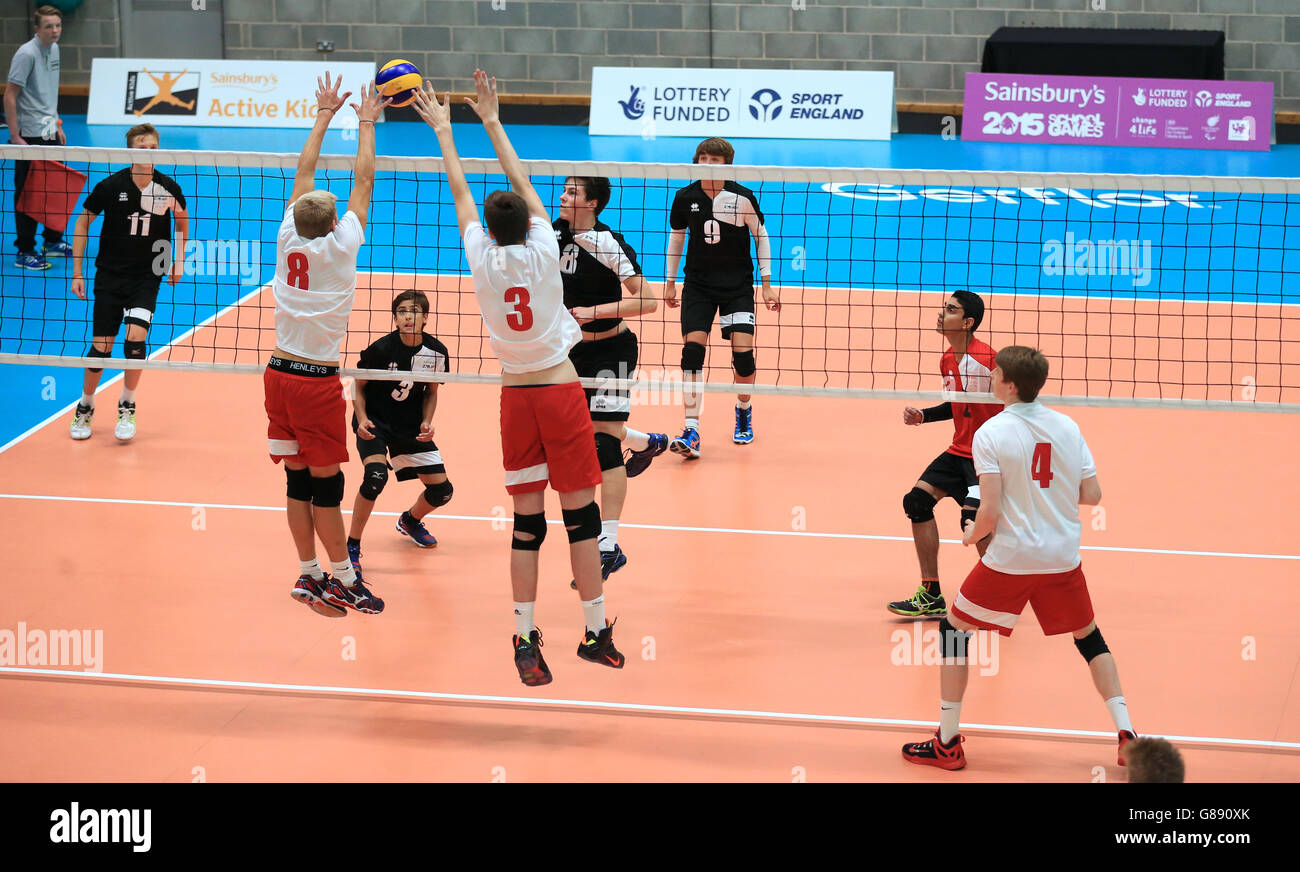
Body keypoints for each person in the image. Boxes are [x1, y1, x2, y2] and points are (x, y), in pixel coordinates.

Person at [412, 70, 625, 686]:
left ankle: (524, 635)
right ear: (528, 223)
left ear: (487, 226)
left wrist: (443, 131)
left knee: (527, 524)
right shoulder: (542, 248)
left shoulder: (479, 255)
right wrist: (491, 118)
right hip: (559, 391)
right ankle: (594, 630)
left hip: (516, 399)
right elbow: (521, 182)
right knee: (580, 518)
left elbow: (458, 189)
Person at [902, 346, 1137, 771]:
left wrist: (974, 533)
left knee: (954, 630)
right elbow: (1092, 495)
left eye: (995, 375)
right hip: (1062, 557)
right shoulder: (1068, 426)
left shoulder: (992, 434)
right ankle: (1126, 732)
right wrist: (1048, 496)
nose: (990, 379)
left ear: (1009, 385)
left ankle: (947, 741)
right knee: (1089, 638)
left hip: (1011, 558)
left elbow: (988, 508)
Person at [266, 73, 386, 618]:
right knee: (326, 487)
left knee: (296, 481)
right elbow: (365, 177)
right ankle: (342, 579)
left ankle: (308, 574)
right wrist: (366, 122)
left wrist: (323, 113)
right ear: (336, 222)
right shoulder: (341, 249)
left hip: (277, 377)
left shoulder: (288, 233)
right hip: (315, 382)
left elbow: (304, 171)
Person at [555, 174, 668, 586]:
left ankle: (609, 545)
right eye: (564, 190)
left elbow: (648, 300)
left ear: (593, 203)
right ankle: (643, 443)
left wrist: (592, 311)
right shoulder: (551, 234)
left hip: (610, 350)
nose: (564, 197)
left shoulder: (606, 243)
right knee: (580, 431)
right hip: (568, 353)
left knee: (602, 441)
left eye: (572, 192)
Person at [68, 123, 187, 442]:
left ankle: (127, 404)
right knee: (101, 347)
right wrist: (78, 272)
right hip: (109, 275)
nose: (147, 153)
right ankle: (86, 404)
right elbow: (82, 222)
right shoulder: (111, 186)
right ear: (129, 151)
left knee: (135, 342)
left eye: (152, 148)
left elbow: (182, 222)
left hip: (147, 276)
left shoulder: (168, 188)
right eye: (141, 147)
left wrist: (178, 260)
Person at [663, 137, 779, 458]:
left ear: (728, 164)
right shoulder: (685, 197)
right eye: (703, 158)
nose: (708, 164)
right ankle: (692, 428)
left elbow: (761, 237)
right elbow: (676, 240)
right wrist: (670, 281)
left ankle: (743, 409)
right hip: (698, 286)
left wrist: (766, 284)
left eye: (715, 159)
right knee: (691, 354)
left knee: (743, 358)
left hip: (737, 288)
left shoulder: (742, 197)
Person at [888, 291, 997, 617]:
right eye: (943, 308)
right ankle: (932, 593)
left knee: (974, 522)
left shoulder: (988, 362)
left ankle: (998, 595)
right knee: (916, 502)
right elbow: (957, 405)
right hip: (958, 451)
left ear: (968, 322)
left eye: (950, 310)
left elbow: (1011, 410)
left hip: (985, 457)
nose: (941, 314)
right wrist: (924, 415)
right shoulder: (948, 359)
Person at [347, 289, 453, 569]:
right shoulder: (380, 350)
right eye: (402, 311)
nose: (408, 316)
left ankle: (410, 521)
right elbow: (357, 385)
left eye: (415, 311)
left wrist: (427, 422)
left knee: (442, 491)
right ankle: (352, 546)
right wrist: (361, 417)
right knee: (375, 477)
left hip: (408, 426)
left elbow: (431, 392)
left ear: (426, 317)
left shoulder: (437, 352)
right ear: (395, 318)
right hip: (375, 422)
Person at [7, 5, 67, 270]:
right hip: (30, 136)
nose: (54, 31)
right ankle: (24, 250)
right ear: (37, 29)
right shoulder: (26, 54)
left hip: (49, 130)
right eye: (48, 26)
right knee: (29, 194)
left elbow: (48, 92)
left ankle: (51, 241)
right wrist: (15, 136)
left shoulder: (54, 49)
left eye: (57, 25)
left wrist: (57, 123)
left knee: (54, 189)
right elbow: (10, 95)